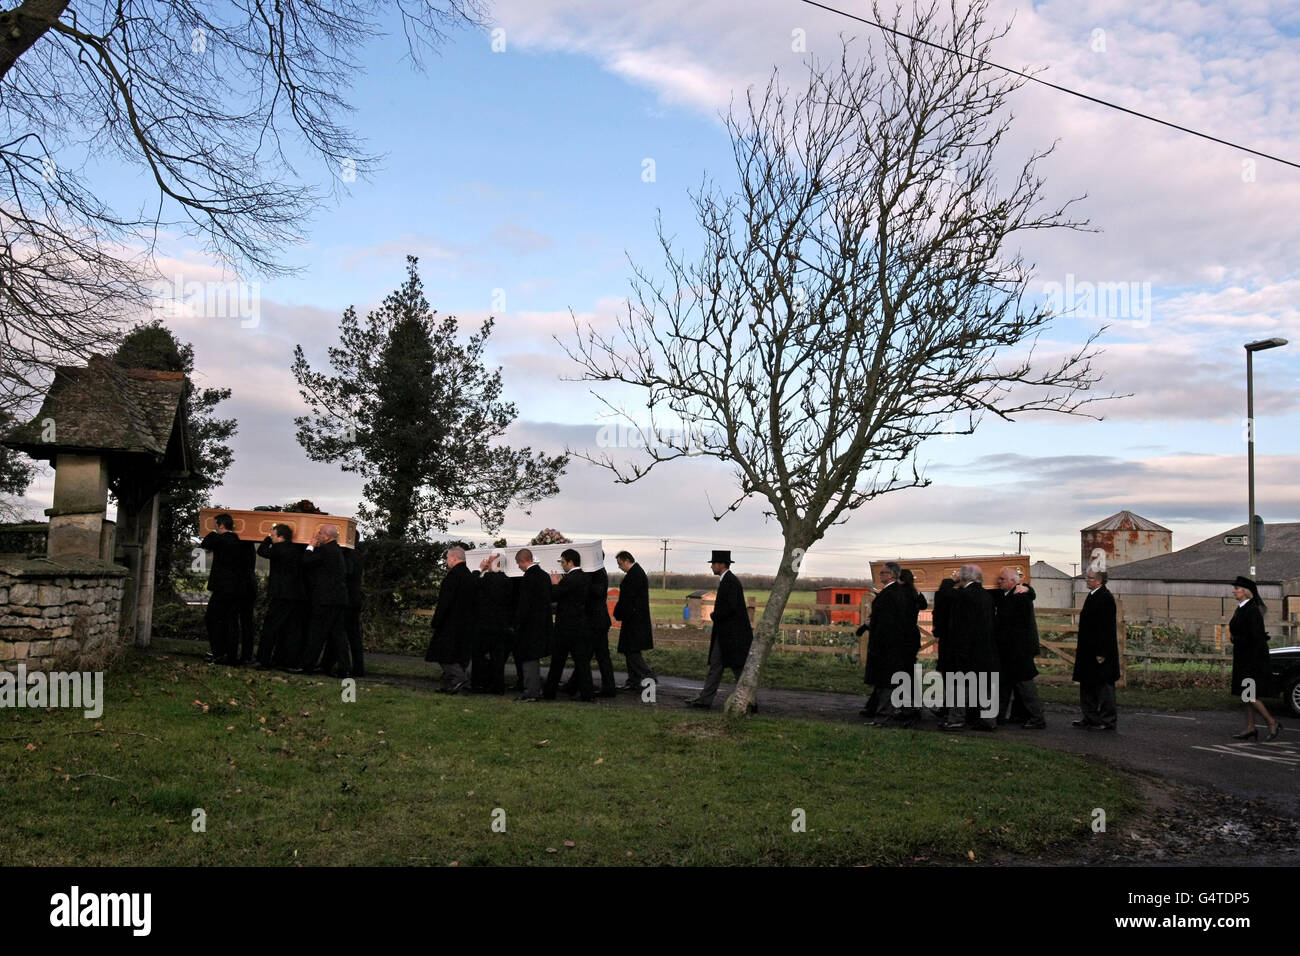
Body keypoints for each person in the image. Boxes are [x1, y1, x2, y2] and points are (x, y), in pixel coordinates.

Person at [686, 549, 754, 710]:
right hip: (727, 634)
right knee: (719, 667)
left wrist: (714, 615)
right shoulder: (729, 580)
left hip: (731, 635)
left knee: (736, 669)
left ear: (721, 565)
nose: (711, 567)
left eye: (713, 564)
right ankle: (705, 700)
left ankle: (749, 702)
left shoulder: (730, 582)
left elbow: (730, 608)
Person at [942, 564, 998, 731]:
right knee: (984, 685)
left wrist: (951, 580)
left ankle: (956, 720)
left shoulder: (963, 596)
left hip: (966, 648)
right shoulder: (987, 596)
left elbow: (945, 593)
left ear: (964, 577)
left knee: (961, 686)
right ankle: (989, 721)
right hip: (985, 648)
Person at [1228, 575, 1281, 741]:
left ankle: (1272, 722)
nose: (1233, 591)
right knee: (1246, 693)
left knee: (1250, 694)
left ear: (1245, 592)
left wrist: (1235, 639)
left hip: (1252, 658)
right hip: (1243, 656)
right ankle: (1251, 727)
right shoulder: (1242, 608)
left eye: (1237, 588)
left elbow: (1254, 636)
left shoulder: (1252, 610)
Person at [294, 525, 351, 677]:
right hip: (338, 598)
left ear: (327, 536)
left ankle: (307, 666)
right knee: (338, 635)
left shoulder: (326, 550)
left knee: (316, 633)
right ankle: (344, 668)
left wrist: (310, 546)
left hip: (326, 599)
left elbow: (306, 561)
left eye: (319, 533)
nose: (317, 535)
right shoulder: (337, 550)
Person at [992, 567, 1046, 729]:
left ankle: (1037, 718)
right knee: (1006, 685)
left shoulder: (1020, 598)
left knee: (1025, 686)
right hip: (1011, 651)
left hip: (1018, 651)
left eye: (1002, 579)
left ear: (1013, 582)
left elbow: (1016, 626)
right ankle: (1000, 716)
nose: (999, 581)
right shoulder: (1009, 595)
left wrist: (1028, 589)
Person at [1072, 559, 1119, 731]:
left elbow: (1106, 627)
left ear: (1099, 580)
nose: (1087, 580)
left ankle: (1108, 720)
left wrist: (1102, 652)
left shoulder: (1105, 598)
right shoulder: (1092, 596)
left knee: (1103, 686)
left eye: (1090, 578)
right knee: (1088, 684)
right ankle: (1090, 717)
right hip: (1088, 649)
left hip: (1099, 651)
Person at [859, 561, 907, 721]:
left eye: (883, 572)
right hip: (888, 643)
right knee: (884, 680)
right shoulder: (894, 592)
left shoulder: (891, 593)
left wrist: (873, 624)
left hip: (886, 644)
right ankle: (878, 710)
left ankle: (883, 715)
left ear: (891, 574)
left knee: (886, 680)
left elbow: (889, 620)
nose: (880, 575)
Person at [424, 546, 477, 693]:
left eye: (448, 558)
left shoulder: (453, 576)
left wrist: (436, 621)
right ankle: (451, 684)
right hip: (466, 622)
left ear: (454, 557)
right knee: (458, 654)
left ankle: (459, 679)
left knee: (443, 654)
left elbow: (444, 602)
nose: (447, 561)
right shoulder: (469, 576)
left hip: (450, 622)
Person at [543, 548, 594, 701]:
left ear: (571, 562)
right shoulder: (584, 577)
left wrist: (554, 583)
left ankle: (549, 693)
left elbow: (555, 595)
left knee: (557, 661)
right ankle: (587, 694)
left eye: (563, 562)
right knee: (582, 663)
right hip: (580, 625)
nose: (562, 565)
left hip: (565, 627)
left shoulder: (570, 578)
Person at [254, 524, 306, 670]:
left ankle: (263, 660)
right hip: (296, 595)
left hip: (281, 594)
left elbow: (261, 551)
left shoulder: (278, 548)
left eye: (273, 535)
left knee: (270, 627)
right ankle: (289, 661)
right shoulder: (298, 548)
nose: (271, 536)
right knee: (292, 629)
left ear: (280, 536)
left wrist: (267, 539)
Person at [200, 513, 244, 665]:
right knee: (230, 621)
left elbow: (205, 543)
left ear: (221, 525)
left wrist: (212, 531)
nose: (214, 528)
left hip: (222, 587)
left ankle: (218, 652)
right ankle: (230, 655)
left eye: (215, 525)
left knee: (212, 618)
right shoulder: (236, 540)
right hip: (236, 588)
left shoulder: (221, 539)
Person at [613, 551, 657, 692]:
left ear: (627, 561)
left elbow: (628, 599)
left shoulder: (634, 575)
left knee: (632, 651)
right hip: (634, 619)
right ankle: (634, 681)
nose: (619, 567)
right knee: (630, 650)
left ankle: (648, 676)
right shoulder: (636, 573)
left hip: (634, 620)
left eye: (620, 563)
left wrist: (618, 612)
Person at [471, 554, 514, 695]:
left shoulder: (487, 580)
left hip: (484, 624)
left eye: (489, 563)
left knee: (479, 656)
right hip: (501, 624)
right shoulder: (508, 582)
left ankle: (479, 684)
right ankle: (497, 686)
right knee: (498, 657)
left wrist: (479, 569)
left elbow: (471, 584)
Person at [512, 548, 551, 701]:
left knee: (528, 659)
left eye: (518, 563)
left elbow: (524, 605)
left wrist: (517, 623)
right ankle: (535, 689)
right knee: (533, 658)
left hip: (529, 625)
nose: (519, 567)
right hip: (542, 623)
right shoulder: (544, 576)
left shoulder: (528, 578)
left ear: (523, 561)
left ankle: (531, 691)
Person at [931, 577, 957, 723]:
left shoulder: (945, 597)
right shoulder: (957, 597)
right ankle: (948, 709)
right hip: (953, 643)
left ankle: (948, 710)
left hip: (948, 644)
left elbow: (938, 615)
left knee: (950, 678)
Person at [342, 535, 365, 677]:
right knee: (354, 635)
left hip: (348, 599)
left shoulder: (349, 555)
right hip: (355, 598)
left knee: (346, 634)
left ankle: (349, 666)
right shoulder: (358, 554)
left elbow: (347, 572)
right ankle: (358, 666)